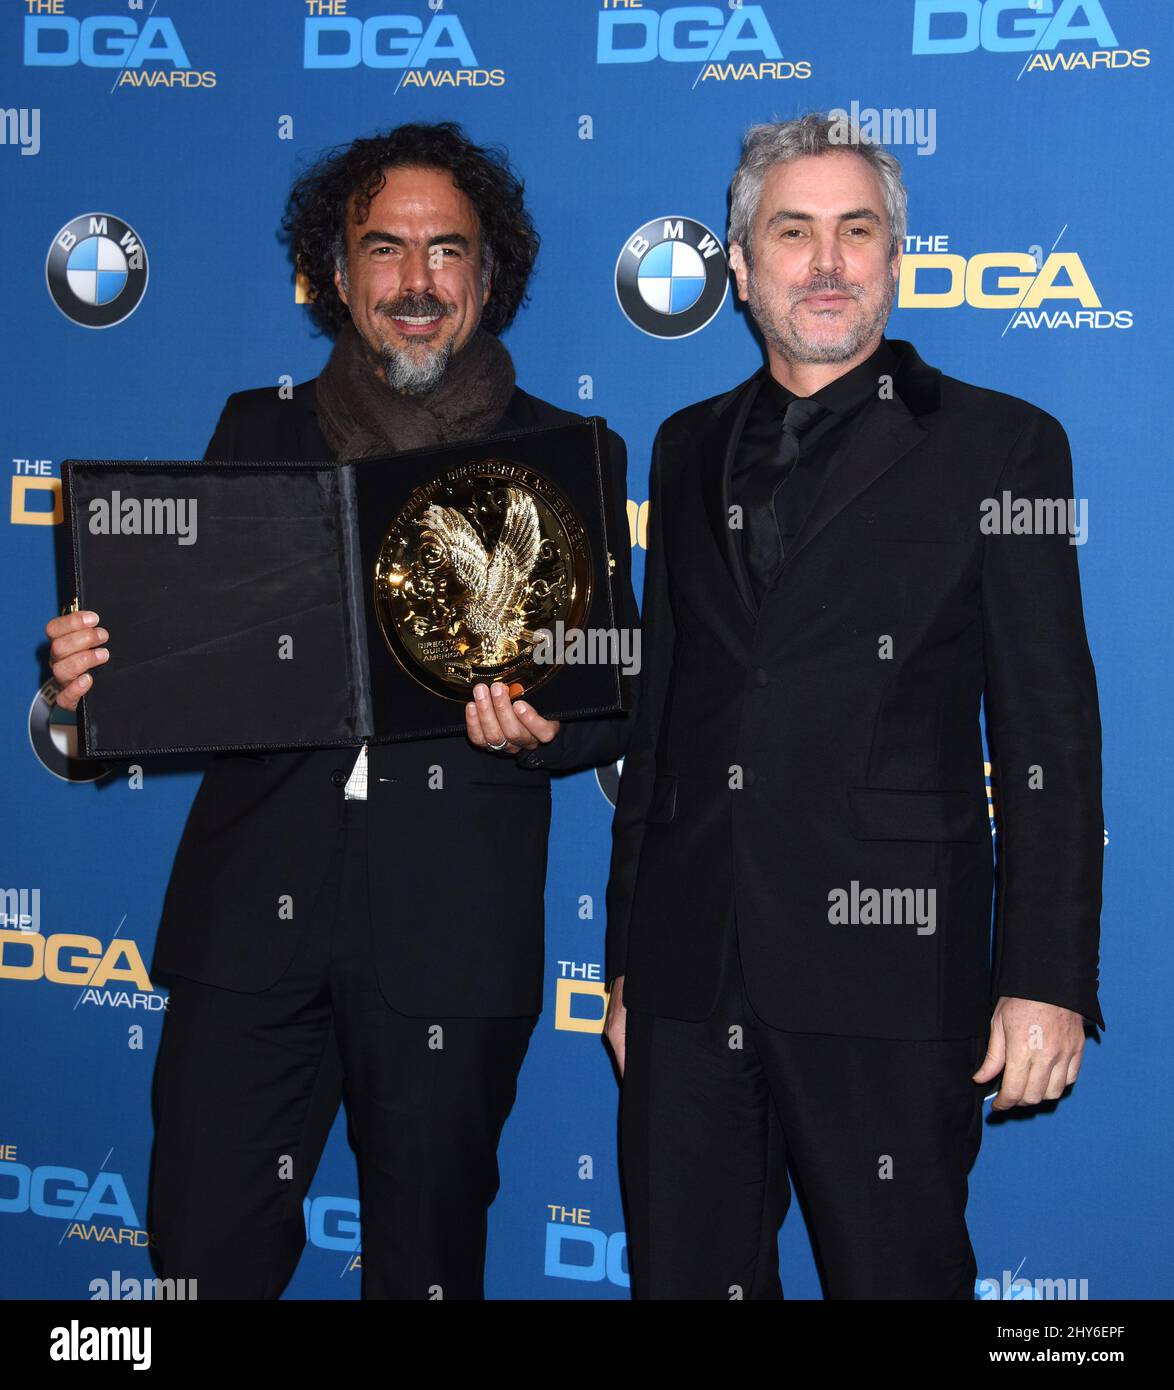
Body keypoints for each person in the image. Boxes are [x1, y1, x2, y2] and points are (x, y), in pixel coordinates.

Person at [45, 122, 634, 1300]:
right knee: (202, 1257)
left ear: (489, 274)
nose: (415, 283)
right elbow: (179, 666)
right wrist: (88, 685)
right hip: (244, 940)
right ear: (336, 273)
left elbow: (619, 687)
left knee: (424, 1269)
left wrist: (551, 727)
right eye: (384, 250)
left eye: (446, 252)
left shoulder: (572, 459)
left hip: (449, 945)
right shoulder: (253, 432)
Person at [603, 113, 1104, 1300]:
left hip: (888, 973)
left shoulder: (1005, 447)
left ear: (894, 260)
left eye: (856, 231)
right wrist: (627, 962)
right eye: (793, 232)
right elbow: (659, 715)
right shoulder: (683, 448)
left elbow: (1049, 730)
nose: (826, 262)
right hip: (686, 973)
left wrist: (1046, 974)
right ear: (740, 267)